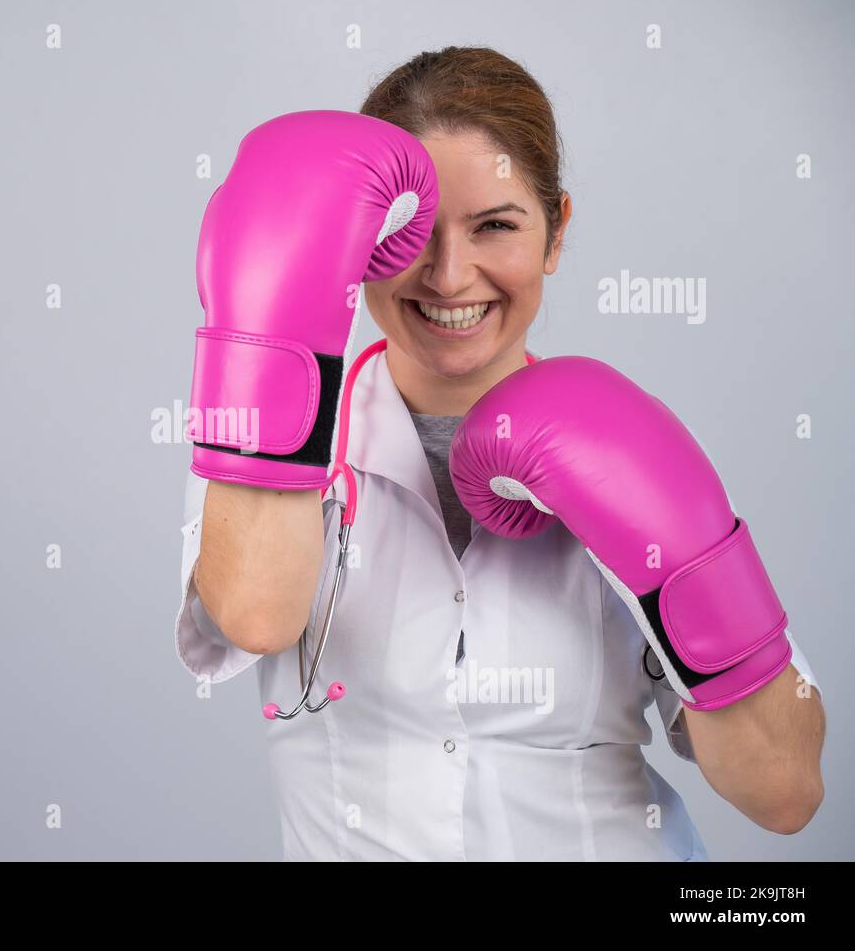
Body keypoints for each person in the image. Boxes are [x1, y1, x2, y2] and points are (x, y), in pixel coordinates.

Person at [173, 47, 825, 861]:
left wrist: (689, 563)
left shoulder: (633, 447)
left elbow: (786, 790)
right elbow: (256, 616)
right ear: (359, 240)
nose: (449, 276)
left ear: (556, 233)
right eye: (413, 233)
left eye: (495, 226)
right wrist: (263, 329)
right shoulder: (277, 431)